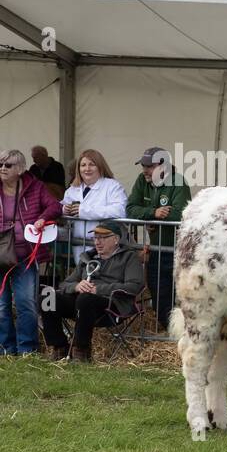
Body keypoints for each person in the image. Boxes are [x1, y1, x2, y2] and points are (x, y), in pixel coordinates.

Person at [41, 221, 145, 362]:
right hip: (82, 304)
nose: (97, 242)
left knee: (85, 299)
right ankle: (59, 346)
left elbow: (135, 286)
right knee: (48, 296)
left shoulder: (128, 257)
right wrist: (77, 286)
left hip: (112, 305)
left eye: (103, 238)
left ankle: (81, 350)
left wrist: (98, 289)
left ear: (116, 239)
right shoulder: (87, 258)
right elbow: (65, 284)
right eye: (95, 238)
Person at [1, 149, 61, 355]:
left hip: (26, 254)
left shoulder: (35, 186)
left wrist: (43, 217)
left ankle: (27, 349)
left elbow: (55, 206)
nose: (2, 168)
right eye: (0, 164)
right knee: (1, 306)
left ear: (20, 169)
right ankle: (6, 350)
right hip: (0, 254)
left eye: (7, 165)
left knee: (26, 302)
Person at [125, 146, 191, 329]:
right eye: (143, 166)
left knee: (182, 294)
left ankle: (183, 331)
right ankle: (167, 329)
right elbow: (130, 208)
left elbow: (180, 214)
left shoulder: (178, 182)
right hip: (156, 249)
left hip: (178, 251)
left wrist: (153, 216)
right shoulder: (142, 180)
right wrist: (153, 213)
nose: (145, 170)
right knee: (157, 291)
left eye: (149, 166)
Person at [61, 149, 127, 258]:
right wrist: (64, 209)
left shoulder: (112, 186)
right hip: (79, 244)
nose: (87, 169)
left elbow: (120, 210)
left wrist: (84, 211)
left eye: (92, 164)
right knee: (85, 273)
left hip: (106, 246)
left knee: (104, 274)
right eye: (83, 165)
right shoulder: (72, 189)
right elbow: (60, 208)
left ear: (100, 166)